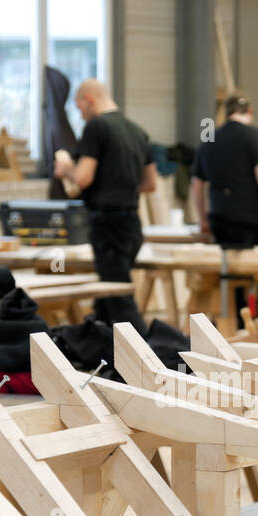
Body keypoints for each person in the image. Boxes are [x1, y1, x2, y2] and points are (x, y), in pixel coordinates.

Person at [53, 79, 156, 332]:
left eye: (80, 109)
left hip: (108, 225)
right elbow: (150, 183)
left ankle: (149, 351)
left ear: (89, 99)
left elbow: (83, 178)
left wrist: (66, 169)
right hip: (132, 226)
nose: (81, 116)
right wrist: (120, 184)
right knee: (107, 300)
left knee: (119, 299)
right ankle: (95, 343)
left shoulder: (97, 127)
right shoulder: (138, 132)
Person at [191, 93, 258, 317]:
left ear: (226, 113)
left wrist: (202, 218)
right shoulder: (253, 135)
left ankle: (237, 321)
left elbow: (197, 184)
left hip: (221, 221)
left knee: (231, 277)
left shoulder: (209, 139)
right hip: (252, 221)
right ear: (250, 112)